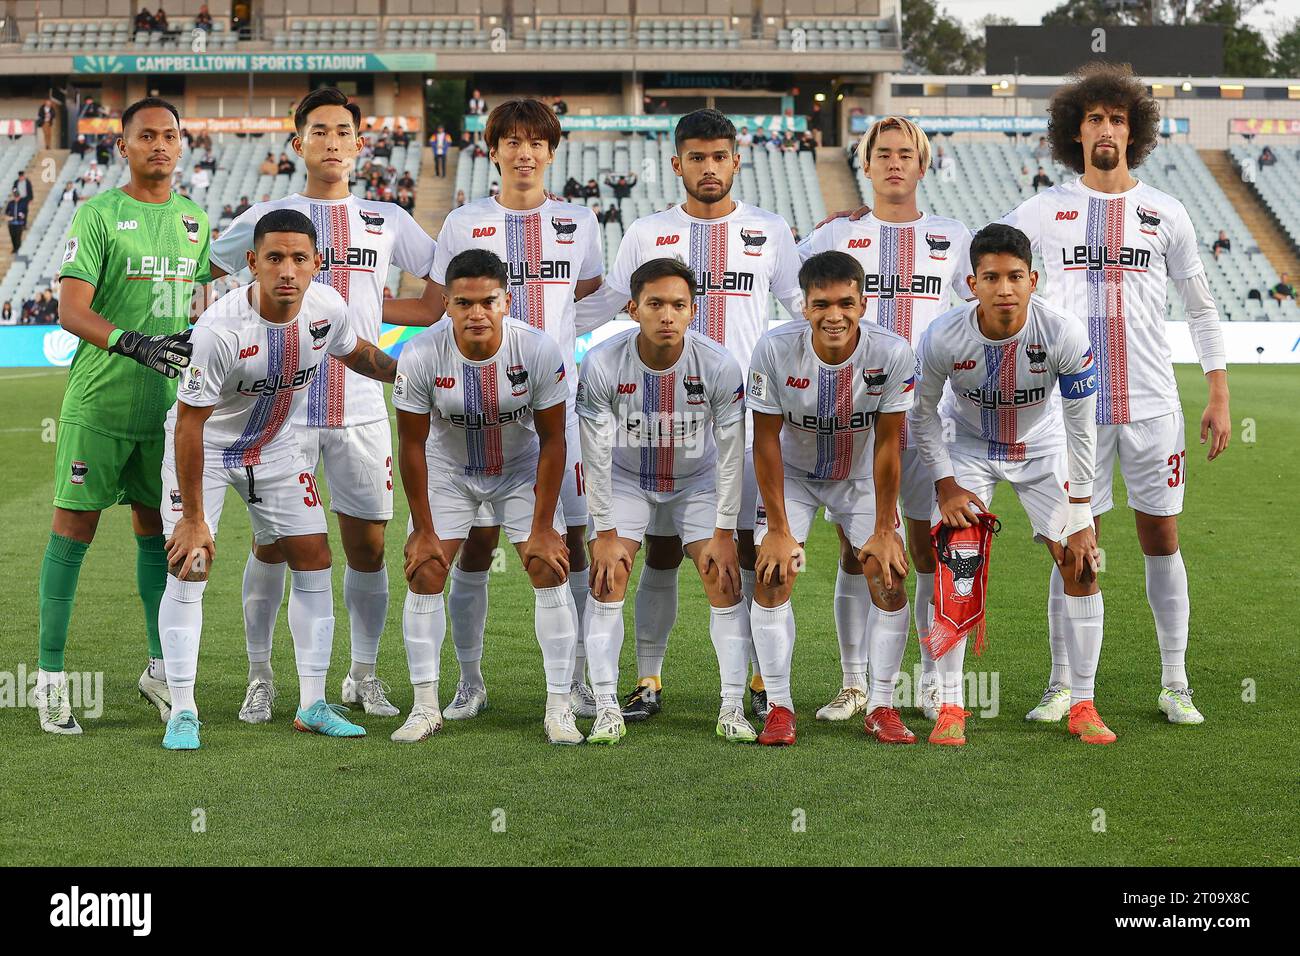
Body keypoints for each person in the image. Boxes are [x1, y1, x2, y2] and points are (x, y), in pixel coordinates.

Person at [996, 63, 1229, 725]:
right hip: (1071, 414)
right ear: (1077, 131)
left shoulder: (1166, 212)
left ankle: (1176, 681)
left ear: (1135, 130)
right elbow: (981, 267)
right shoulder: (1042, 211)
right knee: (1075, 542)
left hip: (1153, 407)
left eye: (1117, 118)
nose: (1106, 129)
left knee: (1161, 535)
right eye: (1094, 118)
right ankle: (1063, 685)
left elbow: (1202, 308)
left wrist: (1218, 392)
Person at [210, 86, 442, 724]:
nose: (332, 142)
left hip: (362, 409)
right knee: (273, 547)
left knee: (367, 547)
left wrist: (363, 316)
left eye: (344, 131)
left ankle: (362, 675)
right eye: (319, 131)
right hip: (278, 412)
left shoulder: (388, 218)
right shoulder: (268, 212)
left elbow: (431, 300)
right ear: (298, 143)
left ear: (361, 143)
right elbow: (215, 270)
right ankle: (262, 678)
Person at [574, 108, 803, 723]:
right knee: (661, 553)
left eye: (719, 156)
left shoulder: (771, 230)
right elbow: (604, 306)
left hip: (744, 421)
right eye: (696, 158)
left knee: (745, 554)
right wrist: (524, 318)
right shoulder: (648, 232)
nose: (708, 167)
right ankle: (648, 680)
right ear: (677, 164)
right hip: (654, 426)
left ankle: (758, 682)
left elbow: (808, 307)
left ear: (736, 160)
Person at [157, 209, 399, 750]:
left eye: (298, 258)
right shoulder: (218, 330)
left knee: (313, 555)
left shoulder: (326, 307)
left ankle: (312, 703)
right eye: (274, 259)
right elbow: (191, 425)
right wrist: (194, 520)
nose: (286, 270)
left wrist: (405, 376)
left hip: (274, 445)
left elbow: (354, 352)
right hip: (208, 450)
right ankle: (183, 709)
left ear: (317, 263)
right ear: (252, 263)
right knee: (191, 564)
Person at [33, 97, 211, 736]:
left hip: (165, 413)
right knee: (73, 529)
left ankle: (160, 670)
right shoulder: (100, 213)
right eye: (146, 136)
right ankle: (50, 681)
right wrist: (132, 342)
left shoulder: (195, 221)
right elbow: (71, 312)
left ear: (181, 145)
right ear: (124, 146)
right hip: (100, 404)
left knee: (155, 533)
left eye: (169, 135)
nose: (159, 145)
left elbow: (198, 308)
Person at [428, 98, 605, 721]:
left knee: (571, 540)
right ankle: (469, 681)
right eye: (512, 142)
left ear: (552, 152)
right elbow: (436, 306)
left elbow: (587, 295)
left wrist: (552, 346)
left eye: (536, 143)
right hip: (476, 407)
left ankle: (578, 678)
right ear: (493, 149)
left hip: (558, 410)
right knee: (476, 543)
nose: (524, 153)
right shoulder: (462, 222)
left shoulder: (580, 222)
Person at [795, 115, 974, 722]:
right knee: (858, 549)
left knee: (927, 549)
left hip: (928, 419)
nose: (895, 163)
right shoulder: (834, 236)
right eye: (883, 154)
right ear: (864, 165)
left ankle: (929, 675)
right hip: (852, 417)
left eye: (907, 154)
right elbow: (795, 301)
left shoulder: (954, 236)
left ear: (923, 167)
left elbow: (980, 321)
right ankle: (854, 684)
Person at [913, 223, 1111, 745]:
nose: (1005, 288)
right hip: (970, 450)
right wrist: (945, 482)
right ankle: (952, 705)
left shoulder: (1063, 332)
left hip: (1043, 449)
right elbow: (923, 413)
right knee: (954, 566)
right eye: (992, 277)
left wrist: (1083, 513)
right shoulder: (942, 335)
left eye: (1015, 277)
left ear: (1034, 280)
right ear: (971, 283)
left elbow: (1081, 425)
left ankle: (1083, 703)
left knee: (1082, 564)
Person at [390, 249, 579, 744]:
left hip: (518, 471)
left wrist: (542, 528)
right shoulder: (420, 353)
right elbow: (411, 444)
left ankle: (558, 707)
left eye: (487, 302)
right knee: (427, 569)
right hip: (450, 472)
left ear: (506, 301)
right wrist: (424, 530)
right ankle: (430, 704)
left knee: (548, 565)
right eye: (463, 303)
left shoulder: (537, 350)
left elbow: (554, 440)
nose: (476, 313)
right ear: (447, 305)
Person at [578, 257, 754, 744]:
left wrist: (722, 531)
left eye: (678, 305)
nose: (667, 315)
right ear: (633, 309)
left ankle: (732, 707)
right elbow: (593, 453)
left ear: (694, 311)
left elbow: (730, 453)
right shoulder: (601, 362)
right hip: (628, 479)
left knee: (723, 575)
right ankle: (608, 708)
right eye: (655, 304)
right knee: (609, 573)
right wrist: (607, 530)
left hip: (697, 482)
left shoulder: (717, 364)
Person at [745, 251, 914, 746]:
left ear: (863, 303)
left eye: (845, 302)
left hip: (859, 476)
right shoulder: (775, 350)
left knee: (889, 578)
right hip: (793, 477)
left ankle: (881, 704)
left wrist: (885, 529)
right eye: (821, 304)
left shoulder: (892, 352)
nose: (834, 315)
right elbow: (766, 441)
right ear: (804, 306)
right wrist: (777, 530)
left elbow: (888, 444)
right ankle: (779, 706)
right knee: (774, 574)